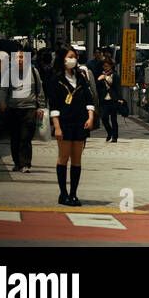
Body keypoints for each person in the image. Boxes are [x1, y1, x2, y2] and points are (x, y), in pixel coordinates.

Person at [49, 44, 97, 206]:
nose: (73, 59)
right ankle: (63, 194)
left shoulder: (81, 77)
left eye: (75, 57)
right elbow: (54, 106)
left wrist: (90, 117)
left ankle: (73, 194)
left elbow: (89, 100)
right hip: (64, 124)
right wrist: (56, 126)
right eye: (70, 56)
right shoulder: (56, 80)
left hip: (80, 123)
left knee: (77, 159)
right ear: (62, 59)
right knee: (63, 158)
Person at [3, 49, 45, 172]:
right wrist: (2, 102)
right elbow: (4, 90)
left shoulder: (33, 71)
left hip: (29, 109)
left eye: (22, 57)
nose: (20, 60)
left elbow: (39, 89)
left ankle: (25, 163)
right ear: (13, 60)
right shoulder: (9, 73)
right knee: (15, 137)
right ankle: (17, 162)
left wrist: (41, 106)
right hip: (13, 109)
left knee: (26, 137)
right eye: (17, 57)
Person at [96, 58, 122, 143]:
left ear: (111, 66)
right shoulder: (102, 75)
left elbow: (117, 88)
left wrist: (119, 99)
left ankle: (115, 136)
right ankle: (109, 132)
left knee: (114, 119)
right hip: (104, 99)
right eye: (104, 66)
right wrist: (100, 80)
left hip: (113, 99)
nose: (105, 68)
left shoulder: (115, 75)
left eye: (107, 66)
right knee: (104, 117)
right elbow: (98, 87)